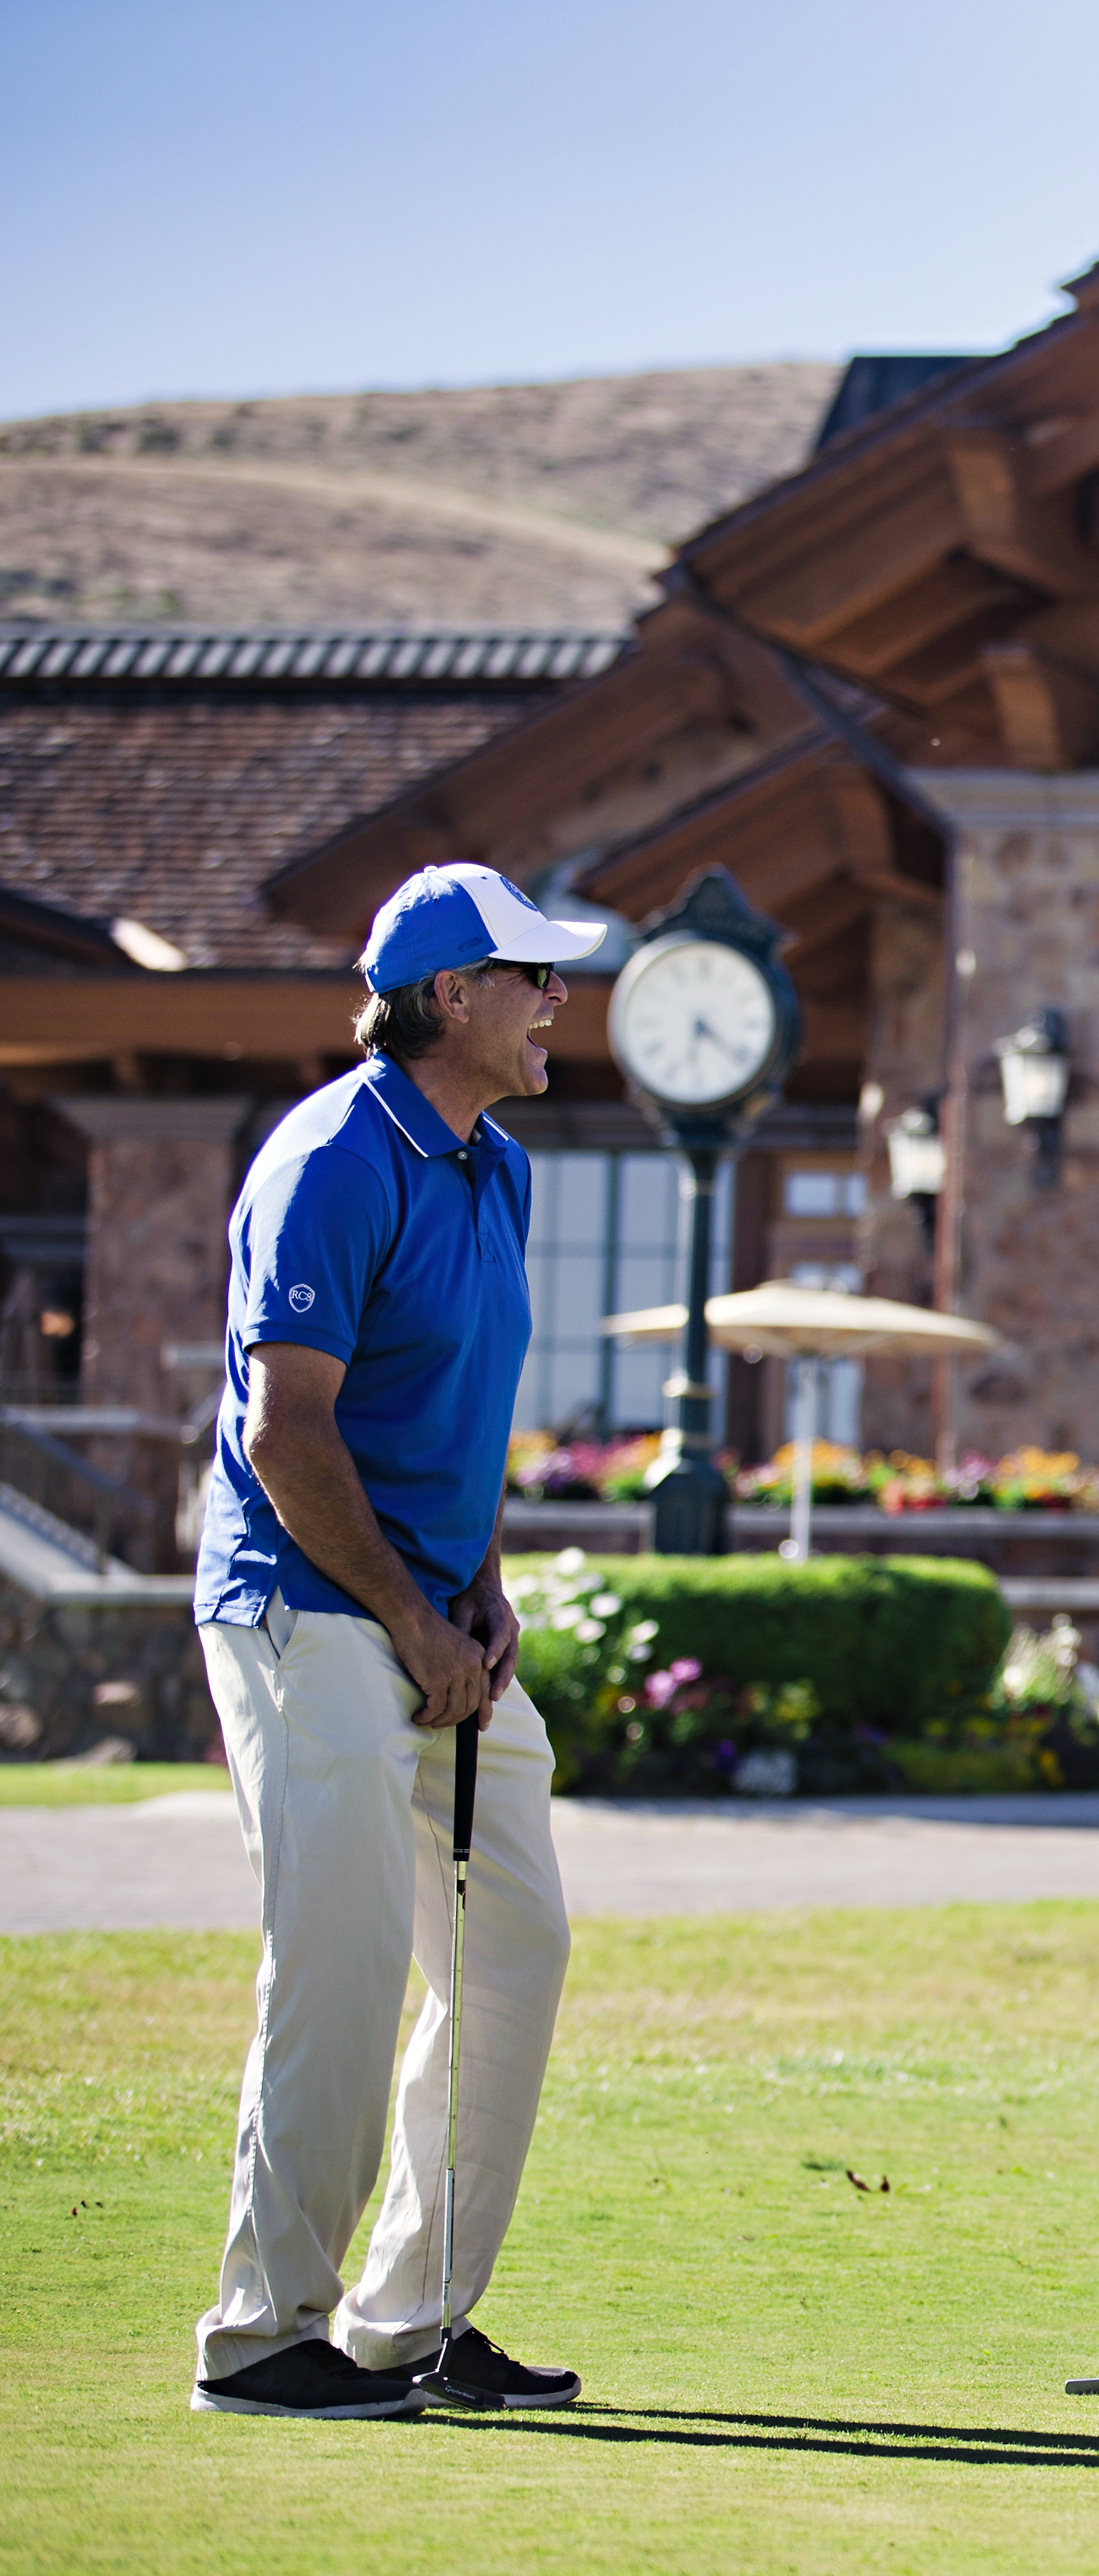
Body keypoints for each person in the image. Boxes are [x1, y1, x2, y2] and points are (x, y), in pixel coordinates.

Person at [187, 863, 603, 2419]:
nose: (560, 1002)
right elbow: (287, 1434)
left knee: (514, 1951)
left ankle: (400, 2322)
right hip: (305, 1612)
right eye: (534, 979)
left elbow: (455, 1410)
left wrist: (477, 1584)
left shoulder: (497, 1165)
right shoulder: (331, 1160)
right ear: (448, 997)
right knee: (347, 1967)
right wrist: (412, 1615)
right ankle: (259, 2333)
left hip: (430, 1621)